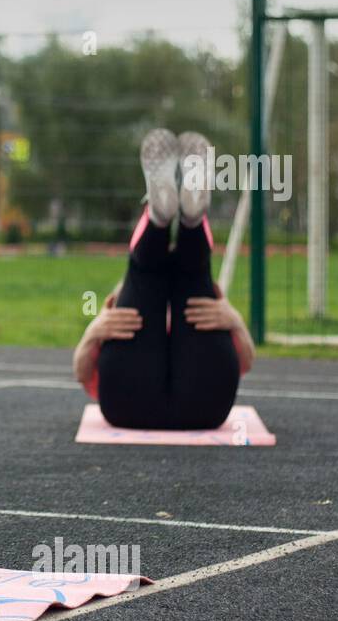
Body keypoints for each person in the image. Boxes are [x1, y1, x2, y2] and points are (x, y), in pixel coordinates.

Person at [73, 128, 255, 430]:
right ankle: (192, 220)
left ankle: (159, 218)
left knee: (144, 275)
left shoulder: (127, 301)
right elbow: (246, 363)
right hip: (205, 408)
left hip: (128, 406)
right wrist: (236, 322)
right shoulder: (203, 303)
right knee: (194, 276)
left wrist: (92, 333)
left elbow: (82, 372)